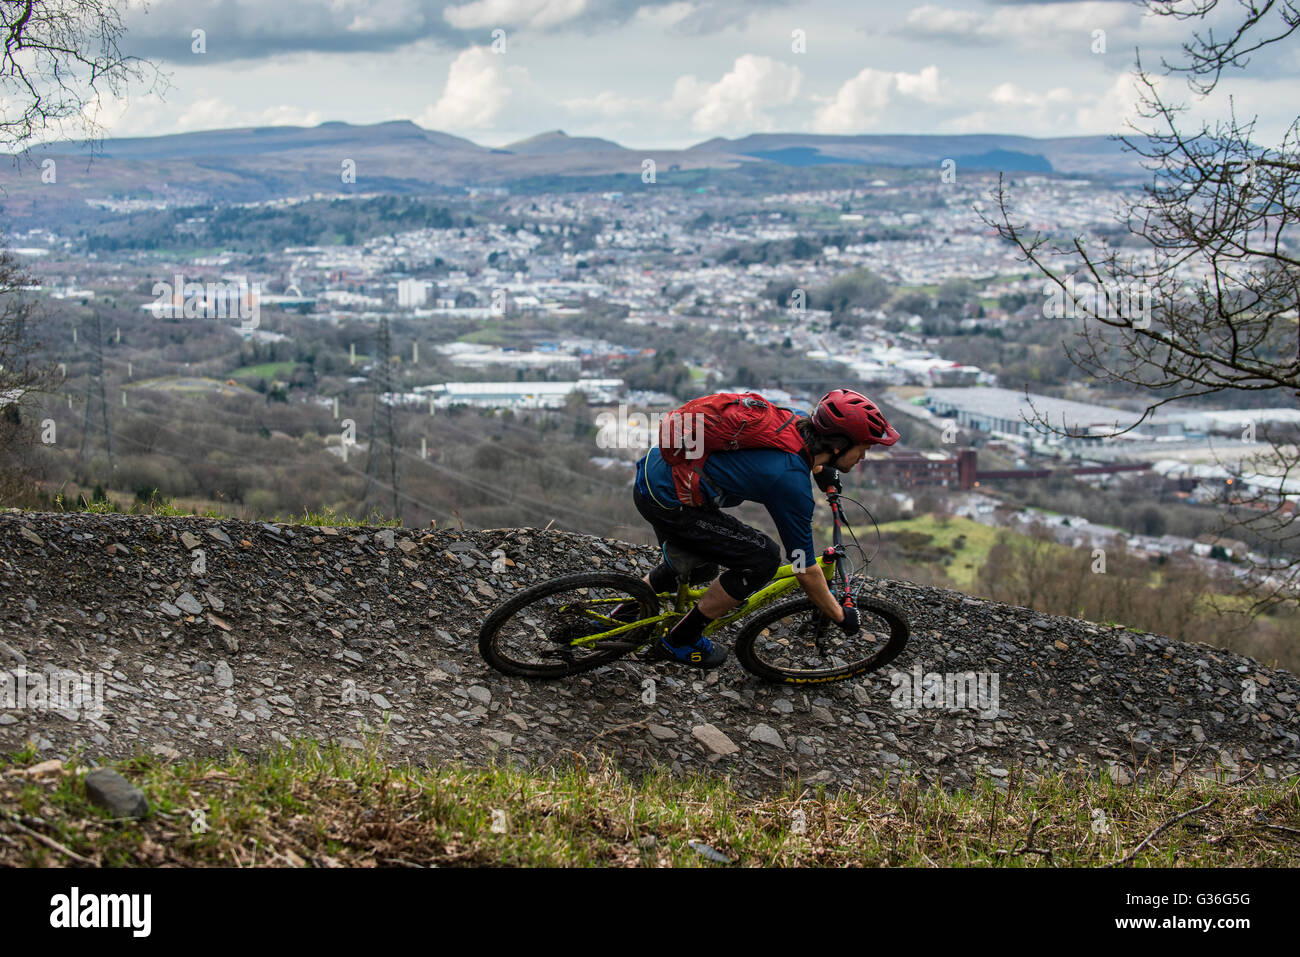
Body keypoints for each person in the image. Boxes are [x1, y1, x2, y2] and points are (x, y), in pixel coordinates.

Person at [626, 388, 900, 668]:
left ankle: (625, 613)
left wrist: (821, 469)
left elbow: (788, 449)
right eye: (863, 447)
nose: (864, 456)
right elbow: (803, 567)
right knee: (763, 559)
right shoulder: (789, 483)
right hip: (669, 500)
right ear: (839, 445)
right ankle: (680, 640)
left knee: (702, 567)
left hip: (655, 470)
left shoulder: (795, 420)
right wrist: (839, 614)